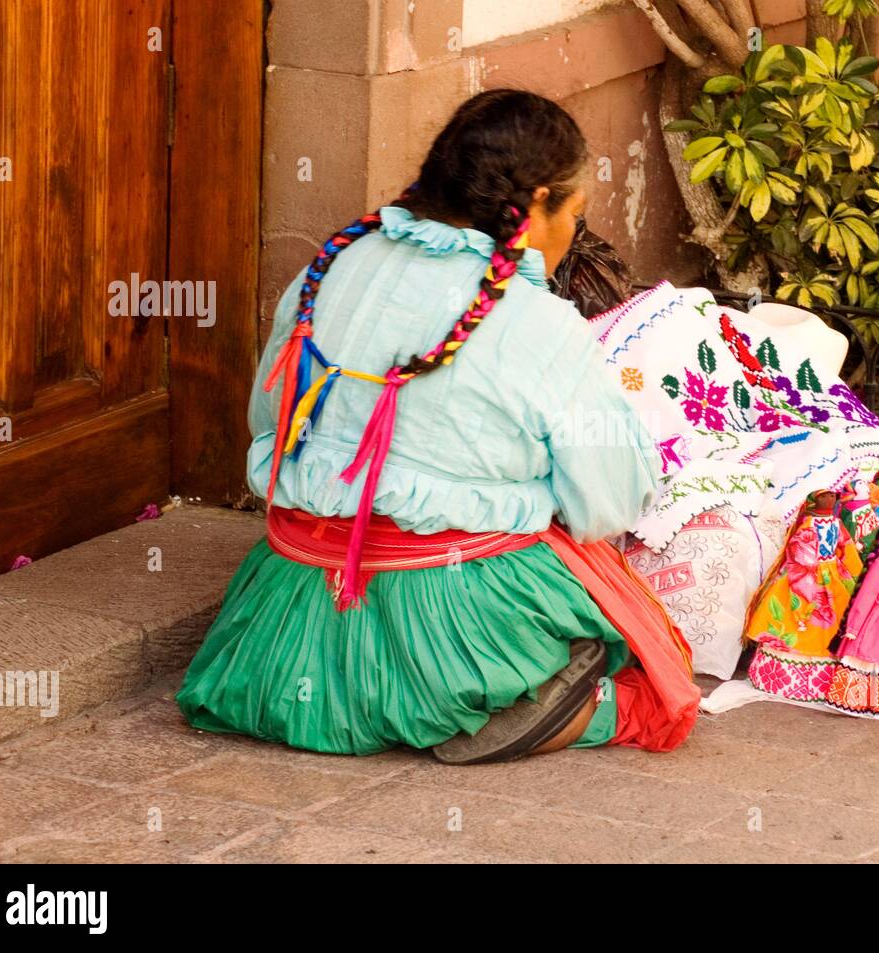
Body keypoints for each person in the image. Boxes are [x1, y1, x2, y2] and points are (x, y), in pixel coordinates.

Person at [176, 90, 699, 764]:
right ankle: (490, 700)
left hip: (289, 613)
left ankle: (408, 692)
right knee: (642, 651)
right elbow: (607, 502)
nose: (575, 231)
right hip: (452, 610)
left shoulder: (326, 268)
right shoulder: (534, 321)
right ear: (534, 205)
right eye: (574, 213)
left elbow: (269, 427)